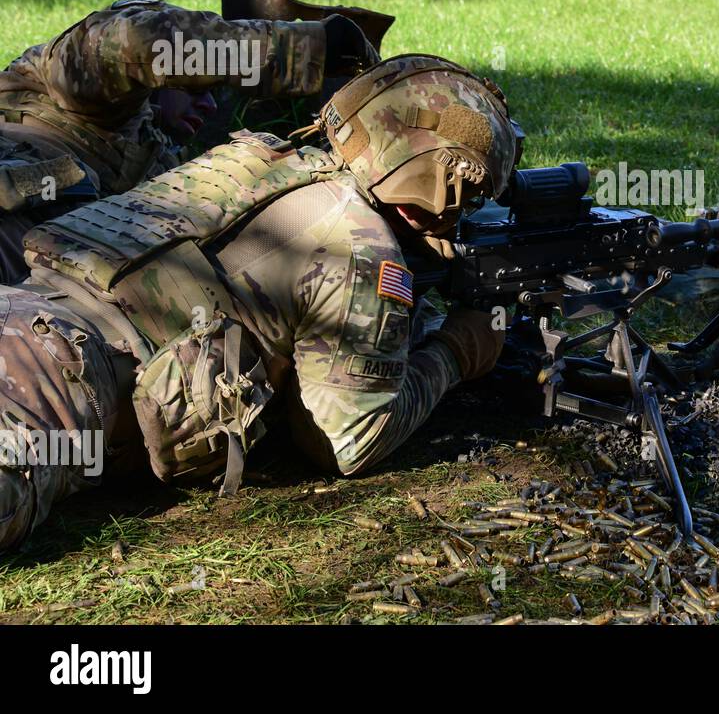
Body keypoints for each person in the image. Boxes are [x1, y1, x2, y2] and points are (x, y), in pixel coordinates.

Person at [0, 54, 515, 551]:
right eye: (470, 197)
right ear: (443, 182)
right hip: (56, 377)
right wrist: (455, 353)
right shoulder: (356, 241)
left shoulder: (253, 157)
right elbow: (350, 442)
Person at [0, 0, 379, 281]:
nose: (210, 105)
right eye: (197, 88)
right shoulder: (67, 81)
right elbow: (137, 42)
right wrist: (306, 46)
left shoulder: (154, 154)